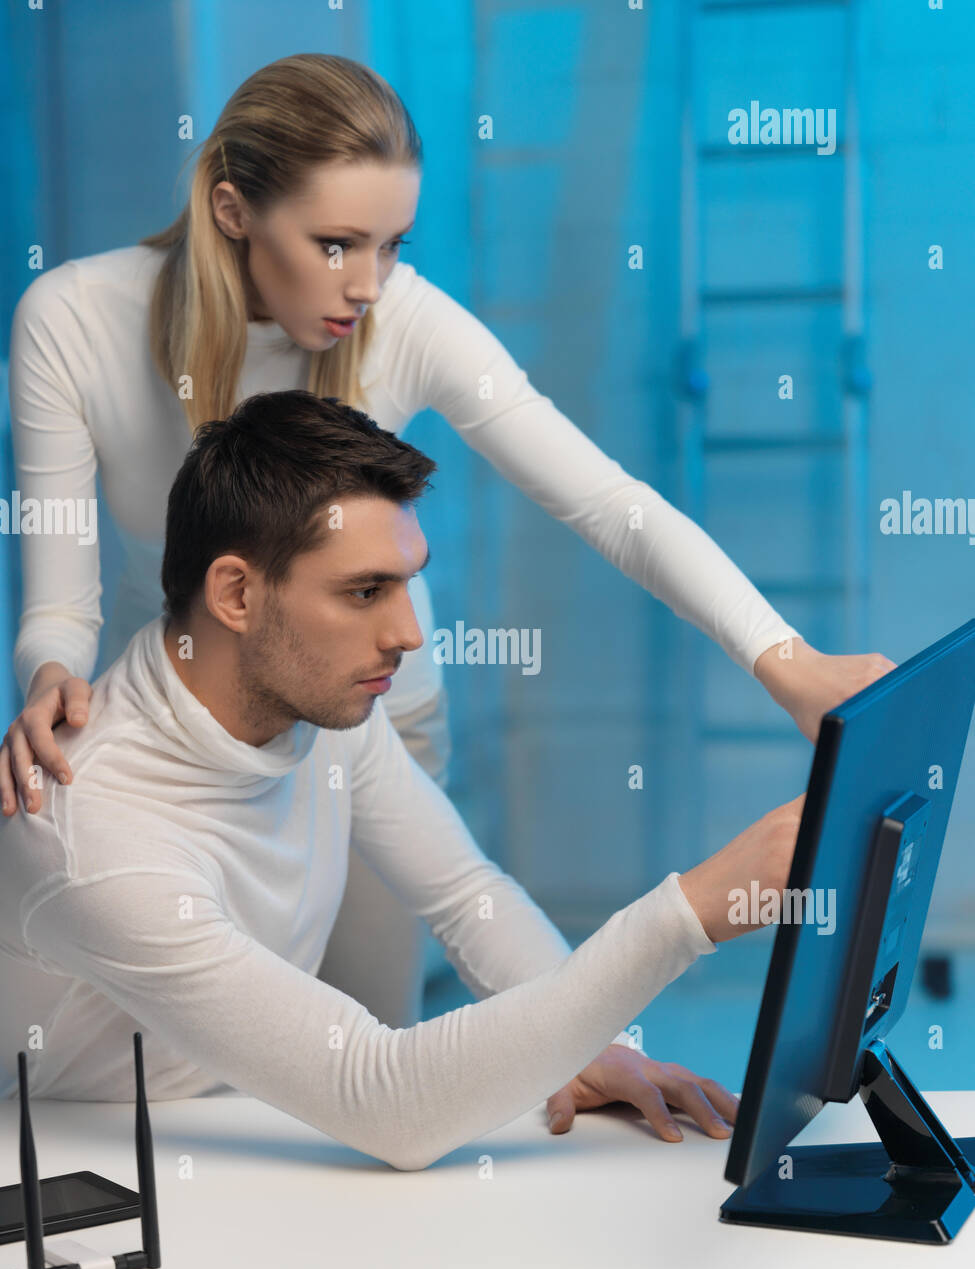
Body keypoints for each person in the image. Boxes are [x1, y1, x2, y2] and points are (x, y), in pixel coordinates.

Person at [1, 52, 892, 1032]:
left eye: (390, 245)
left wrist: (785, 659)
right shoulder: (73, 320)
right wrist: (48, 675)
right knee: (219, 1063)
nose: (369, 284)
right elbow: (59, 600)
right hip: (186, 737)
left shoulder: (403, 319)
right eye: (336, 242)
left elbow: (609, 502)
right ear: (232, 210)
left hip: (371, 732)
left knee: (370, 1041)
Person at [0, 390, 804, 1171]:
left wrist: (593, 1048)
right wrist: (691, 911)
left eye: (406, 579)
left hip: (239, 1142)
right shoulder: (89, 832)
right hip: (91, 1186)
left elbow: (463, 893)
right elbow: (384, 1101)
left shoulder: (315, 705)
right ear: (236, 594)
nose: (408, 632)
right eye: (364, 592)